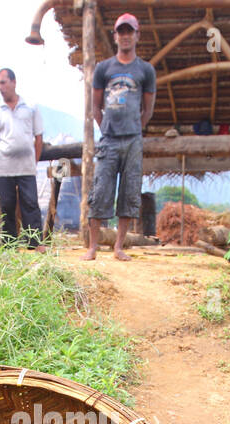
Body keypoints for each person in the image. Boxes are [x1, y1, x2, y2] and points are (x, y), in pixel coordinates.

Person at [83, 13, 155, 262]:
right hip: (109, 140)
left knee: (130, 191)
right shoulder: (104, 68)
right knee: (100, 189)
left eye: (129, 32)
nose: (125, 36)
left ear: (137, 35)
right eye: (121, 32)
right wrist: (107, 129)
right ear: (115, 36)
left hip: (133, 139)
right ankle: (92, 247)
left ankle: (118, 247)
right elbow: (95, 106)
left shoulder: (146, 70)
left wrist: (135, 128)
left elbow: (148, 110)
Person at [0, 68, 45, 250]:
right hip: (5, 167)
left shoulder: (31, 107)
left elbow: (38, 137)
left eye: (3, 82)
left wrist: (33, 160)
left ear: (13, 82)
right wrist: (5, 156)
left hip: (27, 166)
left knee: (30, 203)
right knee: (7, 205)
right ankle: (10, 244)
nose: (0, 87)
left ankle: (34, 243)